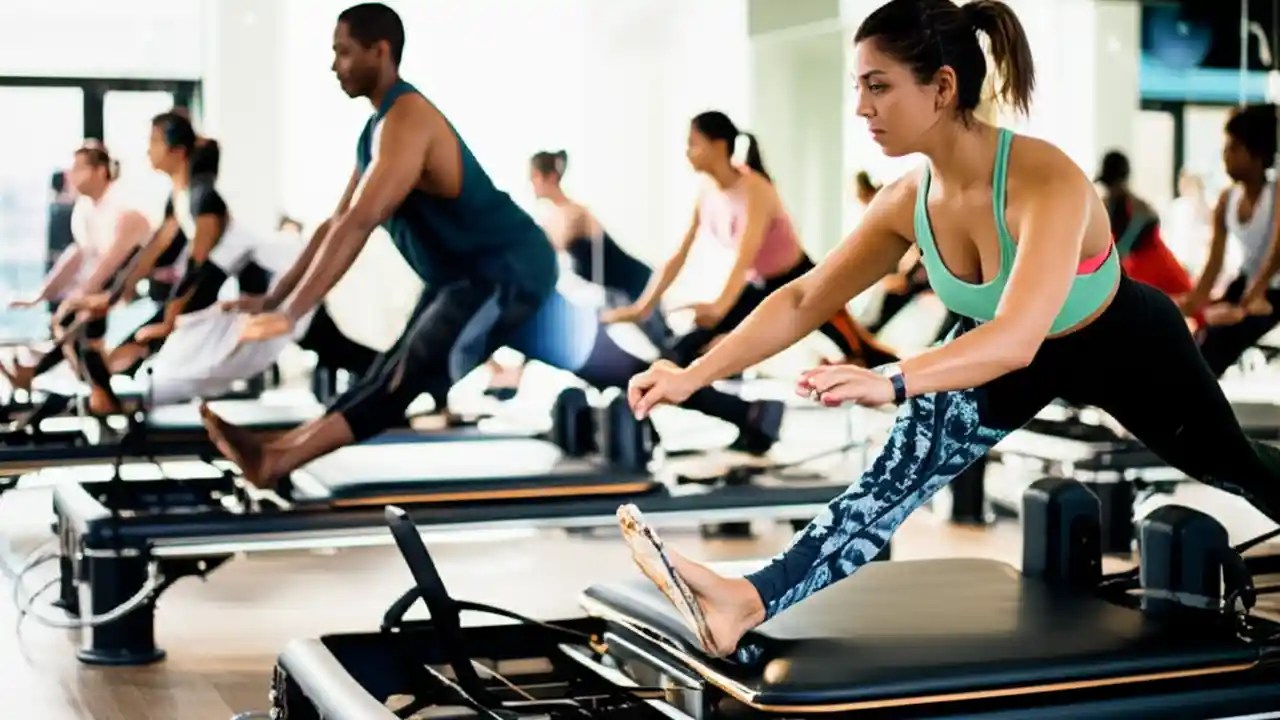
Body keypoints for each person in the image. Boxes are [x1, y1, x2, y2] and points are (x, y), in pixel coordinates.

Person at [616, 0, 1280, 660]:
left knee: (1242, 472)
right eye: (859, 89)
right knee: (896, 470)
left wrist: (894, 379)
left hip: (1122, 344)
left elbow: (1020, 332)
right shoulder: (906, 200)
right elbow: (803, 299)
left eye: (879, 87)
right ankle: (746, 601)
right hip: (1000, 350)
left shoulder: (1044, 179)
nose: (862, 108)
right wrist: (692, 373)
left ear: (942, 88)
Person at [197, 2, 561, 489]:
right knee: (387, 367)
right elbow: (336, 223)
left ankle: (278, 461)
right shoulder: (376, 130)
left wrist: (293, 313)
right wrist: (274, 300)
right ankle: (276, 450)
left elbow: (361, 224)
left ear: (380, 51)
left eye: (343, 52)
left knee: (404, 375)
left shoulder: (408, 118)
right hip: (461, 276)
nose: (334, 66)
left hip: (508, 270)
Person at [602, 110, 896, 369]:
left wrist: (719, 307)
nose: (687, 152)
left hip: (800, 280)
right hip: (757, 285)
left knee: (860, 351)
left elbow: (745, 255)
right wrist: (643, 307)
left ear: (718, 146)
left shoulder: (756, 189)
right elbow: (679, 254)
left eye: (693, 143)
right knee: (686, 349)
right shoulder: (706, 191)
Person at [2, 141, 152, 414]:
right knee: (73, 320)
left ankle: (42, 372)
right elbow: (78, 253)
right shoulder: (84, 209)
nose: (71, 175)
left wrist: (78, 300)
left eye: (79, 168)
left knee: (79, 319)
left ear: (101, 171)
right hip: (107, 294)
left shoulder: (125, 209)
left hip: (138, 294)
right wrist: (41, 294)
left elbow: (111, 264)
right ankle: (38, 370)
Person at [529, 149, 670, 346]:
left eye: (534, 176)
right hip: (613, 291)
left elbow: (549, 247)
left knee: (666, 343)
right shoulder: (555, 216)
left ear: (551, 177)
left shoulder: (574, 213)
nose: (530, 183)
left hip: (636, 283)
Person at [1184, 104, 1280, 376]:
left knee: (1220, 340)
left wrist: (1252, 297)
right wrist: (1195, 300)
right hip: (1248, 283)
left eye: (1234, 148)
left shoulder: (1277, 192)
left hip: (1272, 288)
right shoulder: (1227, 199)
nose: (1226, 155)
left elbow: (1277, 252)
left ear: (1258, 155)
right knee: (1195, 340)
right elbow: (1214, 262)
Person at [1094, 150, 1198, 322]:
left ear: (1122, 181)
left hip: (1154, 265)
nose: (1111, 189)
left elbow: (1122, 250)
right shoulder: (1109, 205)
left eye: (1113, 184)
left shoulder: (1140, 210)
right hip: (1134, 268)